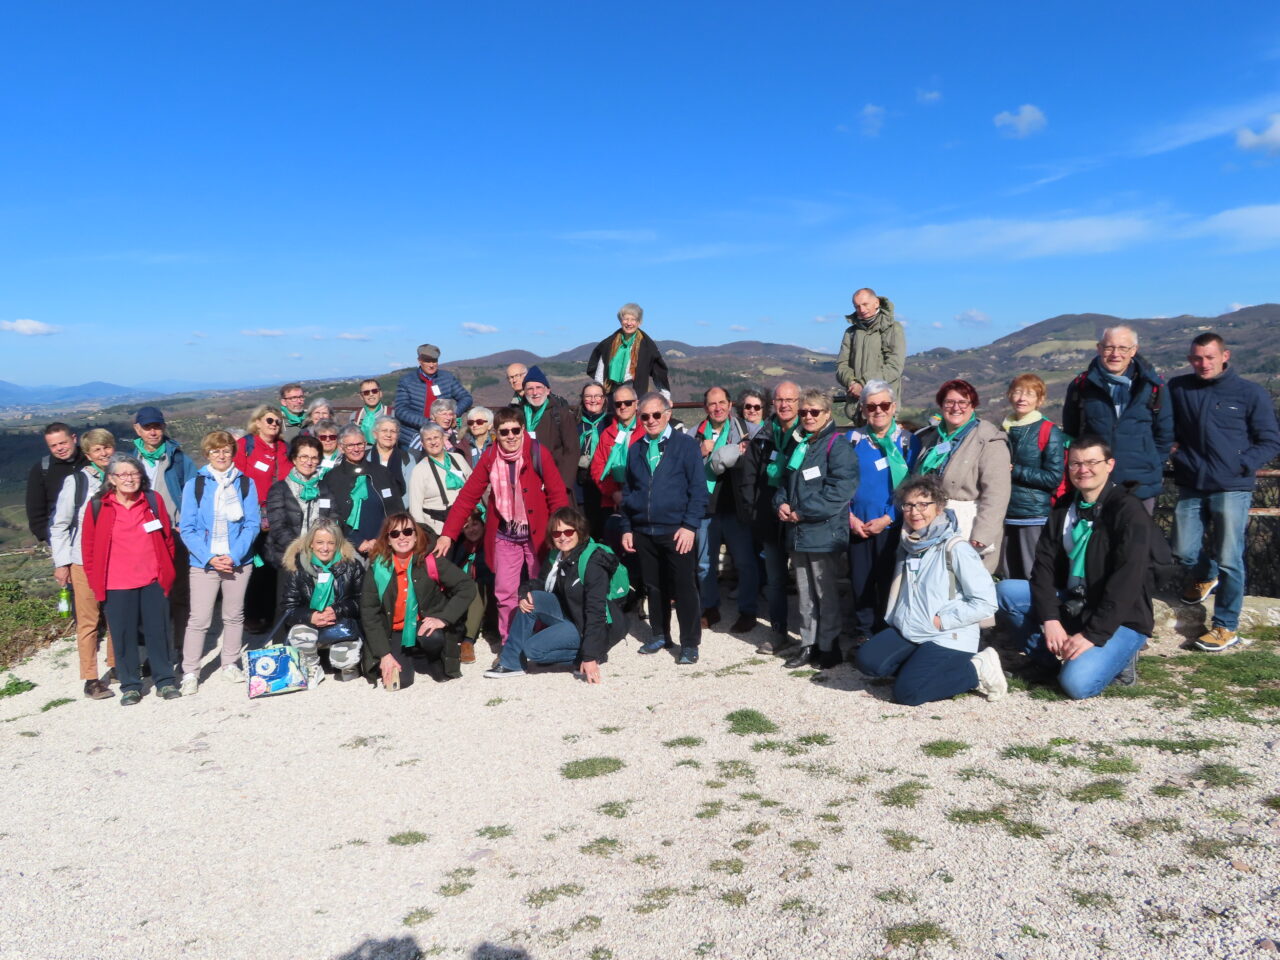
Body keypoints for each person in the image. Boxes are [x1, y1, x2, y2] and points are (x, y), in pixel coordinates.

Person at [996, 436, 1154, 699]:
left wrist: (1093, 635)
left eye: (1092, 462)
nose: (1083, 470)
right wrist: (1050, 619)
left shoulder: (1128, 511)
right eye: (1076, 464)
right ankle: (1045, 661)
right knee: (1007, 592)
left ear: (1110, 464)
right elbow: (1042, 569)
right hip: (1075, 602)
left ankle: (1120, 659)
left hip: (1119, 617)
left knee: (1077, 685)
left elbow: (1126, 582)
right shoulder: (1063, 508)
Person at [1168, 332, 1280, 651]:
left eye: (1209, 357)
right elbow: (1164, 426)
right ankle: (1206, 573)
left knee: (1231, 559)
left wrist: (1244, 464)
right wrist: (1175, 453)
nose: (1202, 364)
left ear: (1225, 356)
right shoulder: (1179, 389)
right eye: (1196, 358)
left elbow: (1270, 439)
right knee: (1182, 549)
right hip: (1192, 482)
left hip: (1232, 486)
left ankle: (1225, 627)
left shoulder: (1250, 393)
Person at [854, 475, 1006, 705]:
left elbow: (985, 602)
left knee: (908, 693)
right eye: (909, 505)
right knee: (868, 660)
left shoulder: (956, 548)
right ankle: (919, 664)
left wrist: (942, 621)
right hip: (913, 628)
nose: (915, 512)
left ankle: (977, 669)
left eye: (923, 504)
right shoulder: (908, 545)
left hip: (947, 633)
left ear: (940, 507)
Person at [434, 407, 570, 644]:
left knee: (540, 588)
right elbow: (467, 497)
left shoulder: (538, 453)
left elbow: (557, 494)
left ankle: (540, 636)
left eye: (515, 430)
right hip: (505, 535)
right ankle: (510, 642)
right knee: (505, 592)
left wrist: (560, 530)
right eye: (504, 431)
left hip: (536, 534)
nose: (510, 436)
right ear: (495, 433)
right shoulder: (489, 458)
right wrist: (448, 534)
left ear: (523, 430)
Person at [81, 455, 180, 706]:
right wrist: (96, 583)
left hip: (152, 580)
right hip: (116, 583)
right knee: (123, 636)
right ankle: (131, 686)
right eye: (122, 474)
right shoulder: (98, 506)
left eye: (133, 473)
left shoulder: (152, 501)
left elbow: (167, 539)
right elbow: (89, 549)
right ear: (111, 479)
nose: (129, 479)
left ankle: (165, 681)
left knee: (157, 632)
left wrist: (165, 572)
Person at [485, 507, 627, 681]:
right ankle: (511, 662)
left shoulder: (593, 562)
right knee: (532, 598)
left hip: (593, 625)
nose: (562, 537)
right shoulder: (557, 555)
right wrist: (524, 594)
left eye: (568, 531)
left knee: (533, 649)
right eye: (556, 532)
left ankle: (592, 654)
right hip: (571, 614)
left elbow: (595, 611)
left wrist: (590, 656)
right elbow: (541, 583)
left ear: (579, 531)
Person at [772, 390, 859, 669]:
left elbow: (839, 491)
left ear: (827, 414)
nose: (808, 417)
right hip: (798, 533)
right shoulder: (800, 443)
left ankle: (829, 645)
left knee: (826, 593)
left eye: (814, 412)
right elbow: (786, 482)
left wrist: (802, 511)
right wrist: (781, 503)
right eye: (804, 412)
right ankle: (808, 644)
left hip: (823, 533)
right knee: (805, 593)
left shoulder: (838, 446)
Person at [619, 392, 706, 664]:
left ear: (668, 414)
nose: (651, 420)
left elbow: (698, 491)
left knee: (684, 588)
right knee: (654, 587)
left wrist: (690, 526)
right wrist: (627, 527)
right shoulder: (636, 449)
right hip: (644, 531)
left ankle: (690, 643)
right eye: (644, 416)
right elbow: (628, 491)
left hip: (677, 530)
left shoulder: (686, 446)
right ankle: (659, 634)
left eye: (656, 414)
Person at [178, 430, 262, 696]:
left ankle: (229, 663)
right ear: (207, 454)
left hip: (238, 561)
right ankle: (190, 670)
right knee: (199, 619)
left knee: (234, 615)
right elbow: (187, 527)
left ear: (232, 452)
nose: (221, 455)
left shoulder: (245, 484)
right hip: (204, 562)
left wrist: (234, 556)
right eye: (216, 451)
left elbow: (252, 524)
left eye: (226, 450)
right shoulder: (196, 485)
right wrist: (211, 558)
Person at [1061, 325, 1173, 513]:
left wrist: (1151, 463)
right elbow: (1071, 434)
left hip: (1140, 484)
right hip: (1094, 482)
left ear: (1134, 351)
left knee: (1137, 540)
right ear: (1099, 348)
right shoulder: (1081, 386)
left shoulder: (1153, 386)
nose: (1115, 354)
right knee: (1096, 541)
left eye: (1123, 348)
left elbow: (1164, 434)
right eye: (1109, 347)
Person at [844, 380, 921, 646]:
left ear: (894, 407)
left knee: (891, 582)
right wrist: (849, 517)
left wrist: (889, 517)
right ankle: (863, 632)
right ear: (864, 409)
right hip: (858, 524)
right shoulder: (852, 440)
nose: (878, 410)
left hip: (893, 526)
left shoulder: (909, 442)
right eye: (871, 406)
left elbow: (912, 486)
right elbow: (841, 481)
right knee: (860, 581)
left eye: (884, 405)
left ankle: (888, 632)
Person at [361, 513, 477, 687]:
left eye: (408, 532)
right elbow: (369, 614)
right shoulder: (377, 568)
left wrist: (444, 618)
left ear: (416, 536)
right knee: (401, 682)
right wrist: (384, 655)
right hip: (395, 632)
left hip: (424, 626)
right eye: (395, 534)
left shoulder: (431, 560)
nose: (402, 537)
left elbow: (467, 586)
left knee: (433, 638)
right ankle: (408, 655)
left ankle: (433, 657)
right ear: (388, 540)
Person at [914, 379, 1011, 575]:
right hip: (930, 526)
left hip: (967, 528)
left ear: (972, 405)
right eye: (949, 402)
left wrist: (983, 534)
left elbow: (997, 494)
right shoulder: (931, 438)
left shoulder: (989, 440)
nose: (955, 407)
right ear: (941, 406)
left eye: (963, 402)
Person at [49, 428, 116, 699]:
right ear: (87, 454)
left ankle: (116, 665)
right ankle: (90, 678)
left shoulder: (122, 477)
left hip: (115, 559)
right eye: (97, 450)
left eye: (107, 447)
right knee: (89, 621)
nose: (103, 453)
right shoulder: (77, 482)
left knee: (116, 618)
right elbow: (60, 524)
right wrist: (61, 563)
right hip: (82, 561)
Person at [738, 381, 802, 651]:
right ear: (772, 403)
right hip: (769, 519)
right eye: (779, 399)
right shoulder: (763, 438)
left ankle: (813, 637)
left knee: (808, 581)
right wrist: (754, 513)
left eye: (790, 399)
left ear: (799, 402)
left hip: (801, 520)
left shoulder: (808, 433)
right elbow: (748, 479)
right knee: (775, 580)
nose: (784, 404)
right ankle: (779, 631)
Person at [130, 405, 198, 642]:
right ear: (137, 429)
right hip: (140, 538)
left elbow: (195, 493)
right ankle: (155, 649)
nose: (153, 432)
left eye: (157, 426)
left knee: (179, 592)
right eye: (147, 427)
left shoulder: (179, 459)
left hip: (174, 533)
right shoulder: (130, 462)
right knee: (152, 594)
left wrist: (185, 524)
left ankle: (181, 645)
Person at [694, 386, 759, 634]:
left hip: (736, 507)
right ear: (705, 407)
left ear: (730, 405)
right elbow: (685, 467)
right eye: (712, 404)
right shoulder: (695, 434)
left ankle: (748, 611)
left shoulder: (747, 431)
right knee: (704, 564)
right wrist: (698, 453)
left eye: (722, 403)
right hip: (705, 507)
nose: (718, 408)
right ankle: (710, 608)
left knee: (745, 562)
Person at [278, 520, 365, 684]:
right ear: (311, 543)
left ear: (338, 544)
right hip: (310, 625)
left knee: (345, 662)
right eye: (319, 542)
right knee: (299, 634)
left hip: (340, 622)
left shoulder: (352, 566)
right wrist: (311, 616)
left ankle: (348, 666)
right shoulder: (297, 567)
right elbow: (288, 608)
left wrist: (337, 610)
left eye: (331, 543)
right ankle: (311, 667)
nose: (325, 548)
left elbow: (361, 600)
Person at [1000, 375, 1067, 581]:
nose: (1022, 398)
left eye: (1029, 394)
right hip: (1003, 512)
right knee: (1006, 573)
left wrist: (1015, 470)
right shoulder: (1002, 429)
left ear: (1040, 400)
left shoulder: (1048, 431)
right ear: (1010, 395)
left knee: (1032, 573)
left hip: (1032, 514)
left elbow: (1053, 477)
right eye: (1018, 392)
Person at [236, 404, 292, 630]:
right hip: (252, 515)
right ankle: (251, 614)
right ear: (257, 422)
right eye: (269, 420)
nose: (274, 425)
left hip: (279, 513)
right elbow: (237, 477)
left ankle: (271, 615)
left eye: (278, 421)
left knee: (275, 565)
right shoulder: (246, 446)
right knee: (255, 564)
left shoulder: (283, 448)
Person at [320, 425, 404, 557]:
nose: (356, 449)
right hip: (347, 546)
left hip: (383, 543)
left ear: (365, 444)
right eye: (350, 445)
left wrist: (381, 539)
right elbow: (328, 515)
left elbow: (396, 509)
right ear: (341, 448)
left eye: (360, 444)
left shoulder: (382, 473)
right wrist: (356, 541)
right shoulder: (331, 478)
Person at [836, 288, 906, 421]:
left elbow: (894, 367)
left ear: (876, 303)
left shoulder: (893, 328)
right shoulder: (850, 332)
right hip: (857, 409)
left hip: (883, 410)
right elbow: (841, 365)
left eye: (865, 304)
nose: (861, 309)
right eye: (857, 306)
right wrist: (852, 383)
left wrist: (863, 384)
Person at [394, 343, 473, 449]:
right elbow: (401, 410)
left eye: (434, 361)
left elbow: (466, 398)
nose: (431, 365)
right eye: (427, 361)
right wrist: (428, 423)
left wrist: (454, 414)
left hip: (443, 438)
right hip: (412, 438)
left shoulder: (447, 378)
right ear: (419, 361)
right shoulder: (407, 381)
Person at [265, 435, 327, 567]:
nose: (309, 462)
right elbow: (277, 525)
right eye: (304, 456)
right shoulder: (279, 489)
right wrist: (299, 548)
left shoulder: (325, 488)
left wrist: (320, 545)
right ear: (294, 459)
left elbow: (332, 517)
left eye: (314, 458)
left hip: (319, 555)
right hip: (288, 556)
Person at [587, 302, 671, 398]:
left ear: (639, 322)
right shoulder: (609, 343)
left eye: (633, 319)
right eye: (626, 319)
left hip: (636, 393)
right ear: (620, 321)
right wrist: (599, 394)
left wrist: (665, 395)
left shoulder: (646, 345)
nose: (629, 323)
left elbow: (658, 371)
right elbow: (601, 371)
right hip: (612, 393)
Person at [518, 365, 579, 493]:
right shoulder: (518, 415)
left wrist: (563, 484)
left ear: (548, 390)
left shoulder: (562, 414)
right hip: (526, 482)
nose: (535, 393)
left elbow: (571, 450)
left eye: (539, 387)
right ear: (524, 392)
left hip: (556, 480)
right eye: (530, 389)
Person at [26, 422, 86, 545]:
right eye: (53, 445)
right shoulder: (42, 470)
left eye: (63, 443)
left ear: (74, 439)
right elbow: (35, 511)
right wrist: (52, 540)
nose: (59, 448)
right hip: (63, 540)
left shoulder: (91, 460)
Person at [448, 508, 495, 664]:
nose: (471, 530)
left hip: (487, 592)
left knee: (477, 586)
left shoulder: (491, 543)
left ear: (482, 524)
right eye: (466, 527)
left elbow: (488, 573)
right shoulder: (460, 547)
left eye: (474, 524)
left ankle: (468, 641)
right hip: (463, 595)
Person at [408, 423, 472, 535]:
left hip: (467, 524)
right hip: (439, 529)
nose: (433, 442)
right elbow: (415, 507)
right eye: (428, 439)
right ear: (422, 444)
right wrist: (423, 533)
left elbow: (473, 485)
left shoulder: (458, 459)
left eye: (436, 437)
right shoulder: (419, 470)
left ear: (443, 439)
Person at [576, 382, 612, 539]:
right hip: (580, 486)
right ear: (582, 399)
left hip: (605, 486)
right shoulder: (574, 423)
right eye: (588, 396)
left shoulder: (611, 422)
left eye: (598, 396)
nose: (593, 400)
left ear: (604, 399)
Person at [366, 415, 417, 500]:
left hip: (399, 508)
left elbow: (411, 492)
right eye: (384, 431)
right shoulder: (364, 457)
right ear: (375, 434)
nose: (388, 435)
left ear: (397, 436)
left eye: (393, 431)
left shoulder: (407, 458)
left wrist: (396, 511)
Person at [350, 378, 389, 444]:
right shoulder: (354, 418)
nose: (371, 394)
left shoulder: (392, 414)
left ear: (380, 393)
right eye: (366, 392)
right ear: (361, 397)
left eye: (374, 391)